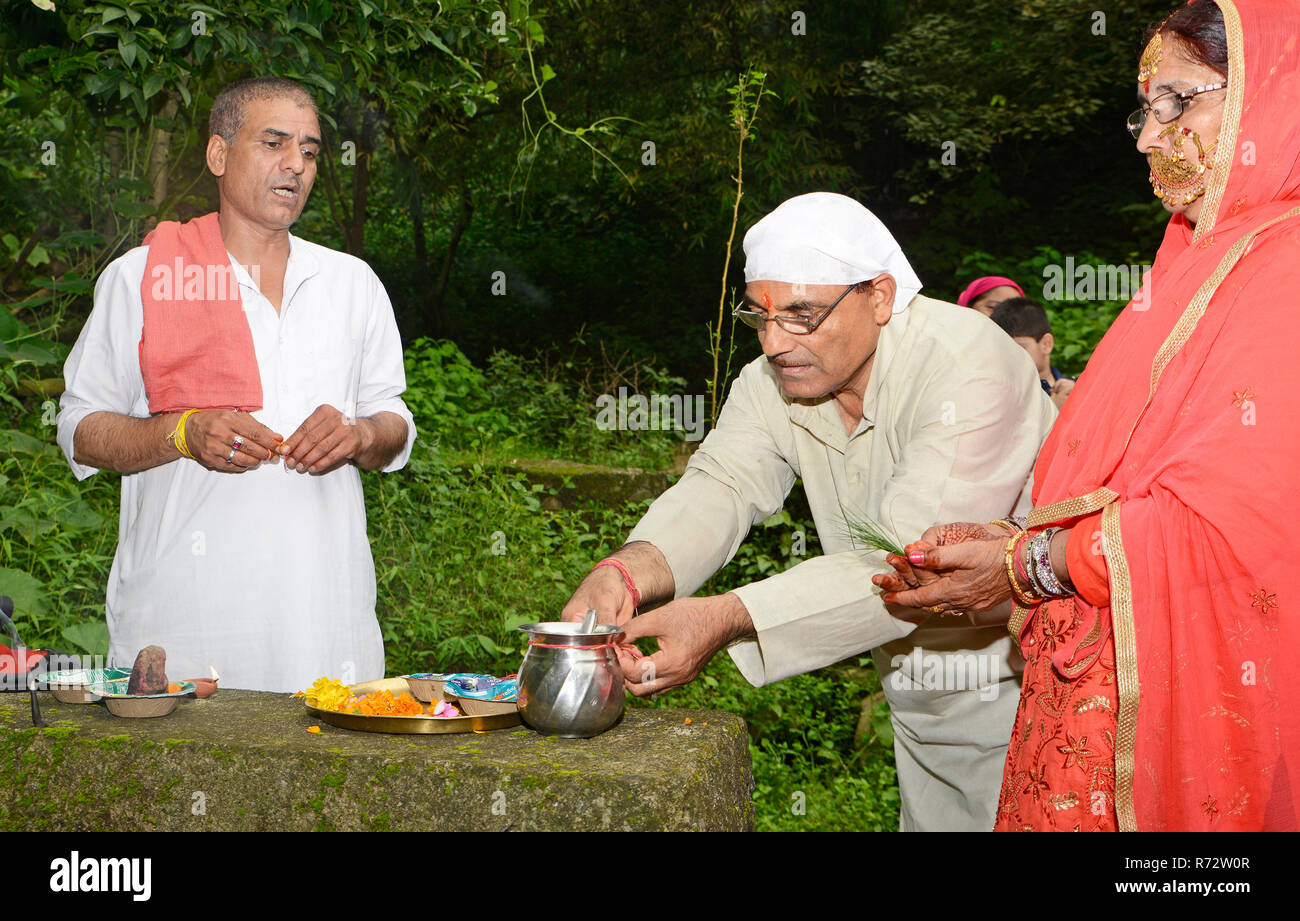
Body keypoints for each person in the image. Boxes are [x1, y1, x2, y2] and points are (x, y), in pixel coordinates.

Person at [875, 0, 1300, 831]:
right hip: (1086, 703)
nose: (1148, 135)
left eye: (1180, 100)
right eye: (1145, 109)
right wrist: (1010, 548)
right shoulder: (1195, 260)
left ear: (1270, 92)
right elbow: (1121, 484)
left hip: (1156, 729)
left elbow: (1230, 529)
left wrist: (1025, 566)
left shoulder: (1283, 269)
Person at [561, 192, 1057, 831]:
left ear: (879, 296)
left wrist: (724, 618)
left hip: (1034, 701)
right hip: (922, 708)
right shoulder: (780, 379)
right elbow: (720, 484)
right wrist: (625, 573)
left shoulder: (969, 363)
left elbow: (913, 563)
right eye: (759, 315)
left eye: (801, 312)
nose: (774, 342)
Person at [56, 78, 416, 693]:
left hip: (325, 630)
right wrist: (181, 432)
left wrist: (357, 435)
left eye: (309, 150)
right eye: (273, 142)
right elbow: (80, 429)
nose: (295, 165)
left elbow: (395, 424)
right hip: (182, 623)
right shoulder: (143, 277)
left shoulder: (351, 283)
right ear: (219, 155)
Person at [989, 297, 1075, 409]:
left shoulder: (1079, 388)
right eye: (1002, 351)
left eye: (1019, 348)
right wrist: (1053, 410)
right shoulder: (995, 398)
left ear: (1046, 344)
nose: (1009, 357)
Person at [955, 275, 1025, 316]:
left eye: (1014, 311)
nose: (1004, 316)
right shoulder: (946, 337)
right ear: (969, 305)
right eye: (993, 307)